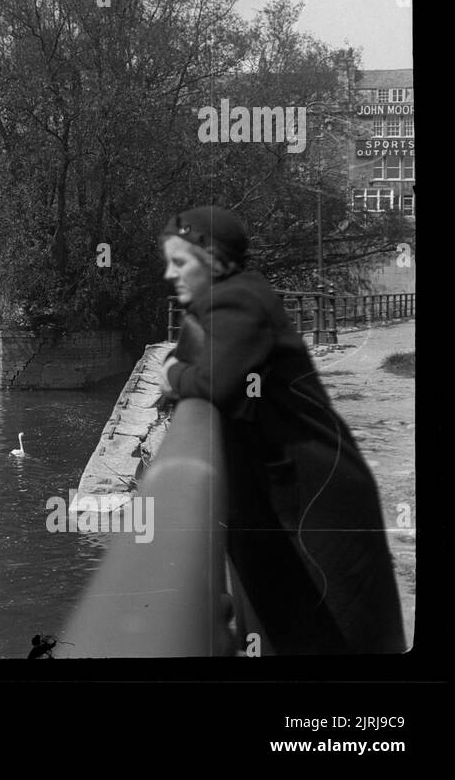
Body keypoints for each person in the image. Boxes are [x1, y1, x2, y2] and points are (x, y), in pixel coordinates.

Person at [158, 206, 405, 655]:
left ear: (213, 259)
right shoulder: (231, 298)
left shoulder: (236, 300)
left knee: (339, 630)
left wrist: (171, 375)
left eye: (180, 262)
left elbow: (217, 383)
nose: (169, 275)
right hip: (306, 489)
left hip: (316, 498)